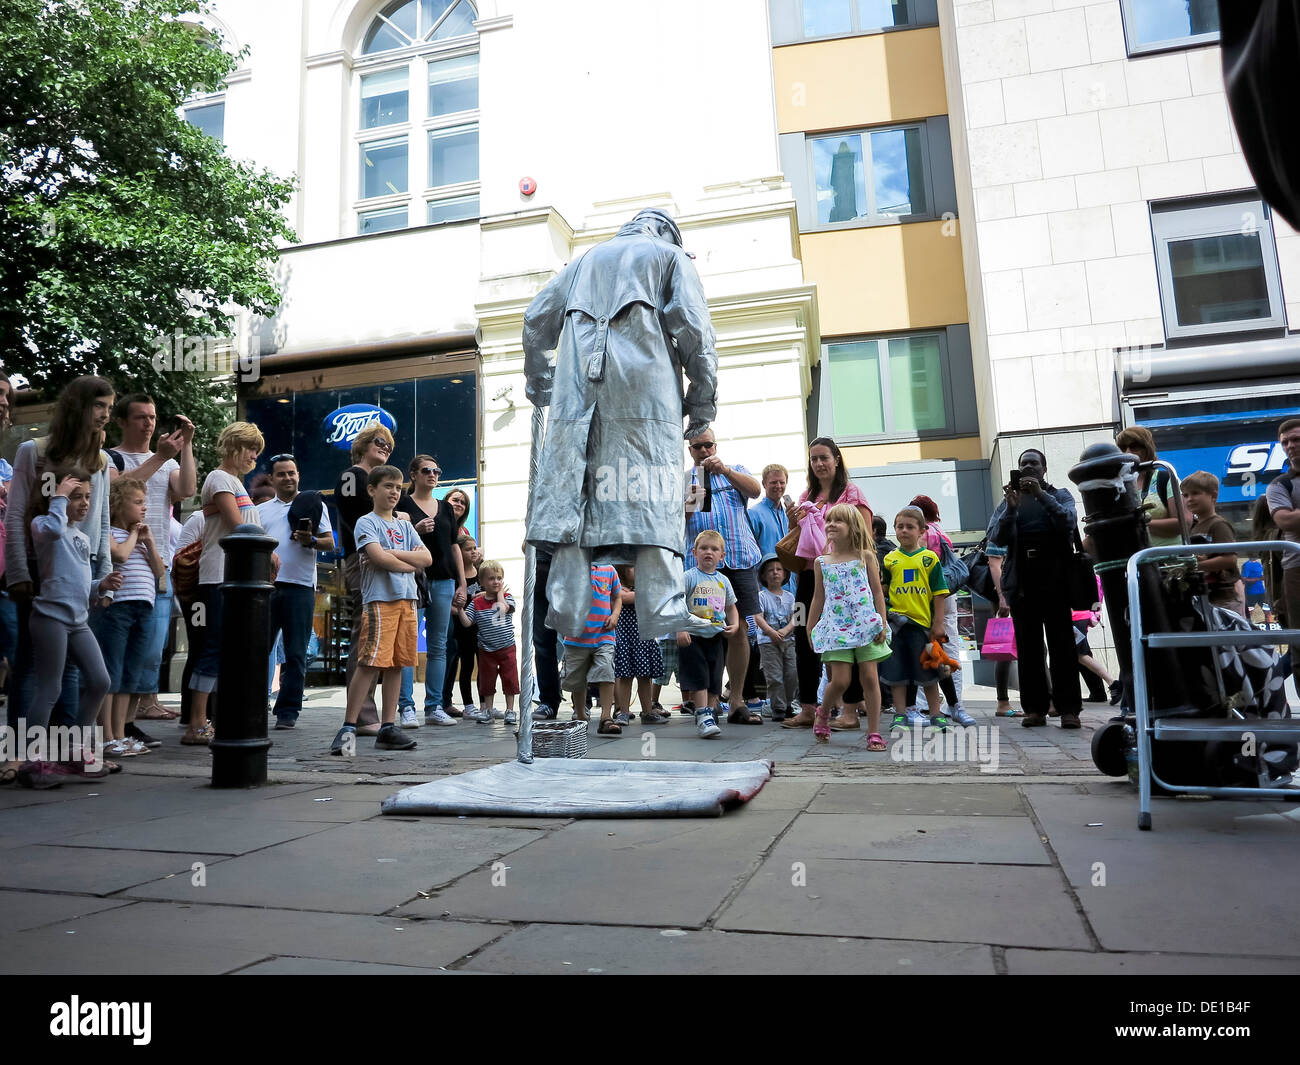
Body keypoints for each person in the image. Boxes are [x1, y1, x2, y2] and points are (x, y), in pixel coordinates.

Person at [523, 208, 719, 648]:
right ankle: (663, 604)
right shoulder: (669, 256)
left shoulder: (583, 261)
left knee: (579, 490)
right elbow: (695, 331)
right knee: (653, 489)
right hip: (645, 393)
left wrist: (540, 380)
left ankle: (567, 604)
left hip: (578, 396)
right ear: (667, 232)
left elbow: (536, 319)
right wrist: (702, 404)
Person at [5, 376, 115, 732]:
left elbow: (102, 519)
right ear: (78, 406)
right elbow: (18, 514)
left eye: (110, 408)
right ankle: (20, 757)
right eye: (99, 405)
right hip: (40, 568)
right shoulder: (34, 451)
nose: (105, 415)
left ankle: (64, 750)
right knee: (32, 666)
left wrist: (105, 574)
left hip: (82, 572)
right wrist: (20, 573)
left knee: (71, 668)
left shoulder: (99, 459)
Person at [17, 471, 118, 788]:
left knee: (100, 680)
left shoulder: (82, 537)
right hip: (50, 617)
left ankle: (75, 751)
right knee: (50, 688)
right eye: (78, 497)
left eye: (87, 496)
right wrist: (60, 495)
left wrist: (99, 585)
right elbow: (53, 531)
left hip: (77, 619)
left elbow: (76, 581)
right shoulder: (44, 526)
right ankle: (32, 764)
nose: (85, 503)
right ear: (57, 499)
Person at [105, 394, 196, 733]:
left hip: (157, 562)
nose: (148, 423)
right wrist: (160, 456)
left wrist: (185, 446)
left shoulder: (169, 461)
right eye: (141, 417)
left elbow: (186, 490)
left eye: (153, 417)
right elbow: (117, 491)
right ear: (123, 421)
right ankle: (115, 726)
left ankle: (128, 722)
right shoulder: (111, 457)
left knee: (150, 647)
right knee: (120, 650)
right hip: (122, 562)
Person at [329, 465, 428, 756]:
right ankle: (348, 726)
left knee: (397, 663)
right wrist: (408, 562)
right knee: (370, 662)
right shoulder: (366, 522)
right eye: (388, 486)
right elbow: (376, 557)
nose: (394, 492)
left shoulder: (406, 527)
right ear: (372, 490)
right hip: (380, 601)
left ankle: (387, 727)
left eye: (398, 488)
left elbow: (427, 557)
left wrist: (393, 555)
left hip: (407, 601)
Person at [986, 449, 1082, 729]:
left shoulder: (1059, 494)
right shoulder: (1008, 502)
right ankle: (1035, 710)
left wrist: (1040, 494)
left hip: (1056, 580)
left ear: (1044, 468)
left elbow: (1068, 521)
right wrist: (1012, 508)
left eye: (1033, 463)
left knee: (1063, 647)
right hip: (1023, 583)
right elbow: (996, 538)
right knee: (1029, 651)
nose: (1028, 467)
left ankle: (1068, 710)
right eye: (1023, 463)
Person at [782, 436, 874, 729]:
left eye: (824, 457)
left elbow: (864, 538)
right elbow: (798, 541)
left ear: (837, 459)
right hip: (808, 576)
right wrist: (792, 520)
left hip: (845, 578)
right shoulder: (805, 495)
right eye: (814, 459)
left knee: (851, 637)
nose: (819, 464)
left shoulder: (851, 493)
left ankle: (849, 711)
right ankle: (808, 707)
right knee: (800, 635)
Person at [187, 421, 267, 746]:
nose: (254, 457)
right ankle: (196, 723)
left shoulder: (235, 482)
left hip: (236, 578)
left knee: (228, 650)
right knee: (214, 648)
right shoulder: (219, 478)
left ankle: (217, 718)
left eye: (256, 451)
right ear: (235, 445)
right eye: (251, 449)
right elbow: (237, 526)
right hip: (218, 575)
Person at [683, 428, 764, 725]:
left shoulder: (736, 471)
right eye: (697, 447)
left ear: (715, 446)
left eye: (708, 445)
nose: (704, 451)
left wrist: (726, 471)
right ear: (690, 451)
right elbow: (677, 521)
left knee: (739, 627)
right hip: (703, 564)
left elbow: (756, 491)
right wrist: (690, 504)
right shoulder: (686, 479)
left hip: (738, 558)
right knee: (706, 630)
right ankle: (711, 702)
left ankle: (738, 700)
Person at [257, 454, 334, 730]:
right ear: (273, 479)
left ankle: (288, 711)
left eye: (292, 473)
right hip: (266, 588)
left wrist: (311, 540)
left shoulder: (314, 504)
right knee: (258, 650)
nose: (288, 478)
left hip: (301, 586)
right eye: (282, 474)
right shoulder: (262, 510)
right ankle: (254, 704)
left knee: (296, 653)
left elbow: (330, 543)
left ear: (298, 475)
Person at [806, 506, 890, 748]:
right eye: (829, 520)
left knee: (870, 679)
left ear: (852, 526)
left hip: (866, 626)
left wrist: (881, 622)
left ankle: (873, 732)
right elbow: (818, 598)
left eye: (838, 521)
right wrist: (811, 627)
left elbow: (877, 592)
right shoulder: (822, 562)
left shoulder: (866, 557)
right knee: (840, 681)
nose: (831, 524)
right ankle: (823, 712)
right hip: (836, 628)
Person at [95, 477, 165, 757]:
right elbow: (120, 556)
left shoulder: (143, 536)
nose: (144, 508)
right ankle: (107, 735)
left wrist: (148, 541)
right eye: (137, 503)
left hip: (144, 606)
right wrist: (136, 535)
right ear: (117, 505)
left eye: (144, 502)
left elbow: (159, 571)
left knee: (130, 674)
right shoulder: (109, 531)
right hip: (119, 607)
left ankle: (121, 734)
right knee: (112, 669)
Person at [394, 455, 466, 728]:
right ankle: (406, 707)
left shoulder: (446, 508)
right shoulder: (402, 504)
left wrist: (461, 583)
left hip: (445, 580)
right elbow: (393, 539)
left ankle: (434, 706)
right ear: (413, 474)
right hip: (415, 580)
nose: (433, 475)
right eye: (427, 470)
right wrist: (415, 528)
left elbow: (454, 546)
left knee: (439, 646)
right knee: (408, 645)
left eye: (437, 470)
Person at [333, 424, 395, 735]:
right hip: (362, 559)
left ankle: (368, 713)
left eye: (389, 446)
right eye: (380, 442)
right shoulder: (352, 476)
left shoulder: (372, 482)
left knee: (373, 634)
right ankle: (361, 715)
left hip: (375, 559)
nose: (386, 448)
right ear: (363, 444)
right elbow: (353, 514)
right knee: (365, 634)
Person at [879, 507, 950, 731]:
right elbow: (884, 590)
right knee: (897, 673)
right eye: (900, 527)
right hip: (897, 626)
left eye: (910, 527)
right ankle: (901, 715)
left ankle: (936, 714)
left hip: (923, 627)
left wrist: (938, 624)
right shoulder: (890, 559)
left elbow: (939, 593)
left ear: (922, 530)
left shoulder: (929, 559)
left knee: (928, 673)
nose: (904, 530)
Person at [909, 493, 975, 727]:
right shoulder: (942, 532)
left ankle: (925, 704)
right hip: (949, 596)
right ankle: (953, 703)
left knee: (928, 649)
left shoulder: (926, 533)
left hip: (930, 596)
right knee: (949, 649)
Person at [677, 529, 739, 739]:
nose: (708, 552)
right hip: (693, 636)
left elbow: (730, 606)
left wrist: (735, 624)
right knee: (699, 676)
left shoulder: (723, 581)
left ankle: (709, 713)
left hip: (716, 636)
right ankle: (703, 715)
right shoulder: (688, 577)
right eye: (703, 548)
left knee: (714, 678)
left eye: (714, 549)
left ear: (722, 555)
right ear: (694, 552)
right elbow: (678, 605)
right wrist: (681, 628)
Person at [557, 562, 621, 734]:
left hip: (604, 634)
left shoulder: (609, 570)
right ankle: (580, 716)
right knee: (577, 678)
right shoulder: (572, 567)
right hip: (576, 637)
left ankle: (606, 717)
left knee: (606, 670)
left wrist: (615, 615)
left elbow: (617, 596)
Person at [458, 560, 521, 725]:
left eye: (499, 578)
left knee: (510, 679)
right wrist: (459, 609)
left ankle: (510, 710)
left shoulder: (507, 598)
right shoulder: (477, 603)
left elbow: (502, 609)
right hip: (486, 649)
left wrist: (500, 594)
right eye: (492, 578)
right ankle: (488, 710)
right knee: (487, 680)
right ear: (482, 582)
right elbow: (467, 623)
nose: (496, 582)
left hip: (507, 647)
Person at [1182, 470, 1246, 618]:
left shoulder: (1219, 525)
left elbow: (1230, 559)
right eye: (1185, 495)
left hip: (1224, 597)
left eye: (1195, 493)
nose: (1189, 499)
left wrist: (1197, 565)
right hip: (1205, 595)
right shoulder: (1193, 527)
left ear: (1214, 495)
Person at [1265, 417, 1300, 688]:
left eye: (1296, 439)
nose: (1290, 446)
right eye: (1285, 442)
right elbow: (1285, 520)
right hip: (1295, 569)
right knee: (1299, 644)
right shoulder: (1279, 485)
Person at [612, 564, 668, 726]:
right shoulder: (618, 589)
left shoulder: (644, 588)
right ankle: (623, 711)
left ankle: (647, 711)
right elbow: (624, 598)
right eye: (633, 568)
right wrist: (643, 593)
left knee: (645, 677)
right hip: (626, 639)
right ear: (622, 570)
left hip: (644, 639)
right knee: (625, 677)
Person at [1116, 425, 1189, 547]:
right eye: (1123, 448)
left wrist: (1141, 523)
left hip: (1171, 561)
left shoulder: (1165, 478)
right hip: (1135, 561)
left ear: (1147, 449)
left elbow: (1184, 523)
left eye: (1134, 446)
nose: (1128, 452)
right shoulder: (1117, 485)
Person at [754, 555, 798, 722]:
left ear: (785, 574)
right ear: (764, 576)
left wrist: (786, 630)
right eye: (770, 570)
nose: (775, 573)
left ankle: (788, 703)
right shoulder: (761, 596)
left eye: (779, 569)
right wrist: (771, 632)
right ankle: (778, 707)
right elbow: (758, 617)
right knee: (774, 676)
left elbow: (797, 618)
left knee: (792, 674)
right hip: (768, 642)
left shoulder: (791, 596)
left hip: (789, 641)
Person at [441, 532, 480, 720]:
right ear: (458, 552)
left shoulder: (481, 572)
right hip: (461, 628)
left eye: (474, 548)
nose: (473, 552)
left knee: (485, 666)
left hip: (481, 629)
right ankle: (468, 704)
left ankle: (485, 703)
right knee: (466, 666)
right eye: (468, 549)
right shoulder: (455, 576)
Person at [748, 463, 796, 594]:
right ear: (764, 484)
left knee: (799, 615)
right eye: (773, 482)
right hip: (767, 589)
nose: (778, 486)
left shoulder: (789, 514)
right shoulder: (754, 514)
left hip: (792, 587)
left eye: (782, 482)